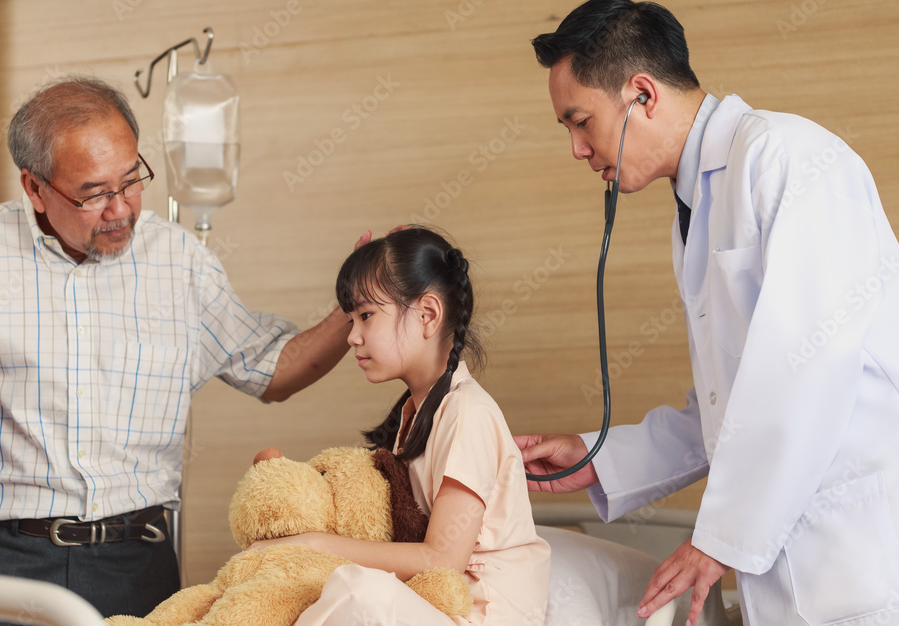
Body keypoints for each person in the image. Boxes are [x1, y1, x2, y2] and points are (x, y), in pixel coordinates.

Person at [0, 76, 357, 620]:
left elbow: (273, 370)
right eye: (93, 193)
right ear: (35, 187)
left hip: (138, 566)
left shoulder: (181, 263)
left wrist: (357, 306)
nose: (120, 209)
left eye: (132, 179)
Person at [515, 1, 899, 624]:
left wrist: (717, 537)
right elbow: (725, 415)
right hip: (791, 565)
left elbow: (810, 368)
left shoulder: (786, 161)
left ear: (641, 93)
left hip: (856, 555)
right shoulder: (698, 203)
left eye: (580, 121)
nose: (578, 150)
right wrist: (594, 459)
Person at [250, 228, 551, 625]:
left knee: (360, 591)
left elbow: (441, 560)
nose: (353, 336)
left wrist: (310, 545)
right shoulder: (417, 413)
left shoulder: (468, 413)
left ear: (427, 314)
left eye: (366, 316)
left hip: (479, 615)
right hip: (438, 606)